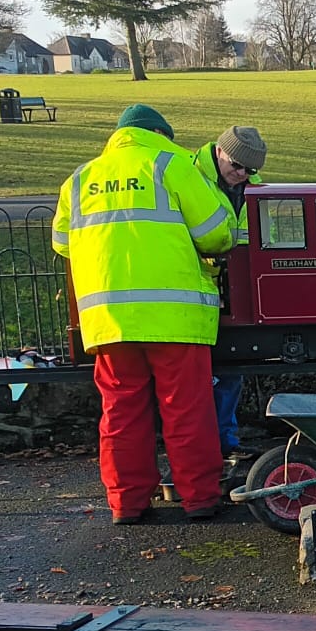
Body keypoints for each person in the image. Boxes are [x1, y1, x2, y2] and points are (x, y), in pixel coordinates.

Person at [52, 105, 234, 524]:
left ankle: (126, 503)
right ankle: (200, 499)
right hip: (175, 317)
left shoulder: (79, 178)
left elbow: (62, 243)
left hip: (108, 320)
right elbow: (216, 234)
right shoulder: (171, 165)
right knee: (185, 409)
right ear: (158, 133)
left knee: (121, 413)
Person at [193, 126, 267, 456]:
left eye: (250, 171)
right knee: (204, 375)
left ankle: (226, 441)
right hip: (197, 284)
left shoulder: (252, 186)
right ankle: (211, 444)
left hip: (234, 289)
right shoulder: (192, 178)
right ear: (221, 152)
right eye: (237, 167)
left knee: (229, 371)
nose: (242, 175)